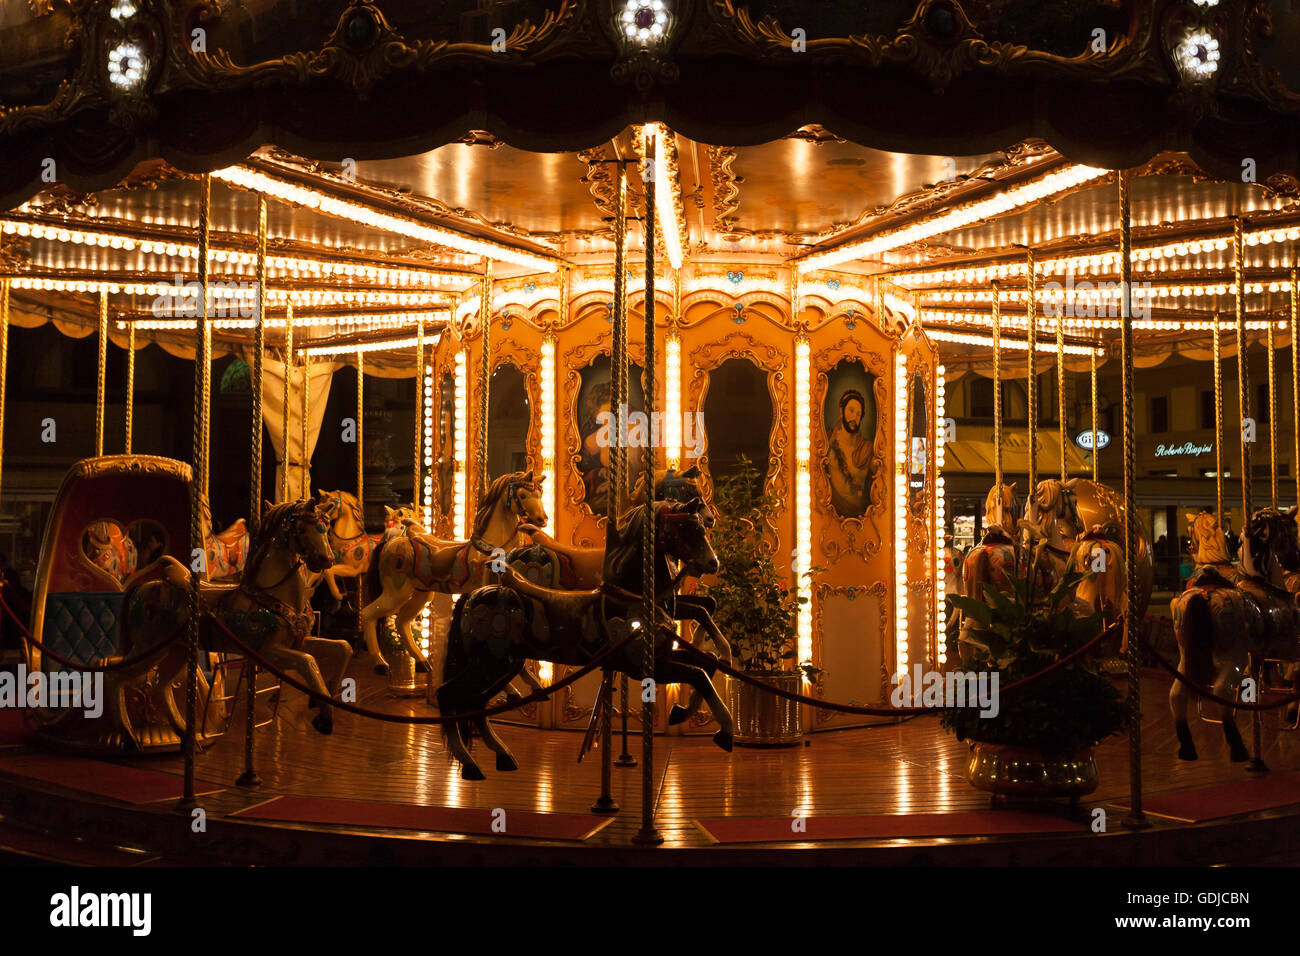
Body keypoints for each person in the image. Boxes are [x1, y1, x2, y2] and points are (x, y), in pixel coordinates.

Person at [827, 389, 872, 517]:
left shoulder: (867, 448)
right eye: (851, 411)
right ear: (842, 411)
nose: (854, 417)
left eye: (858, 414)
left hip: (863, 516)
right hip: (831, 515)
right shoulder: (828, 442)